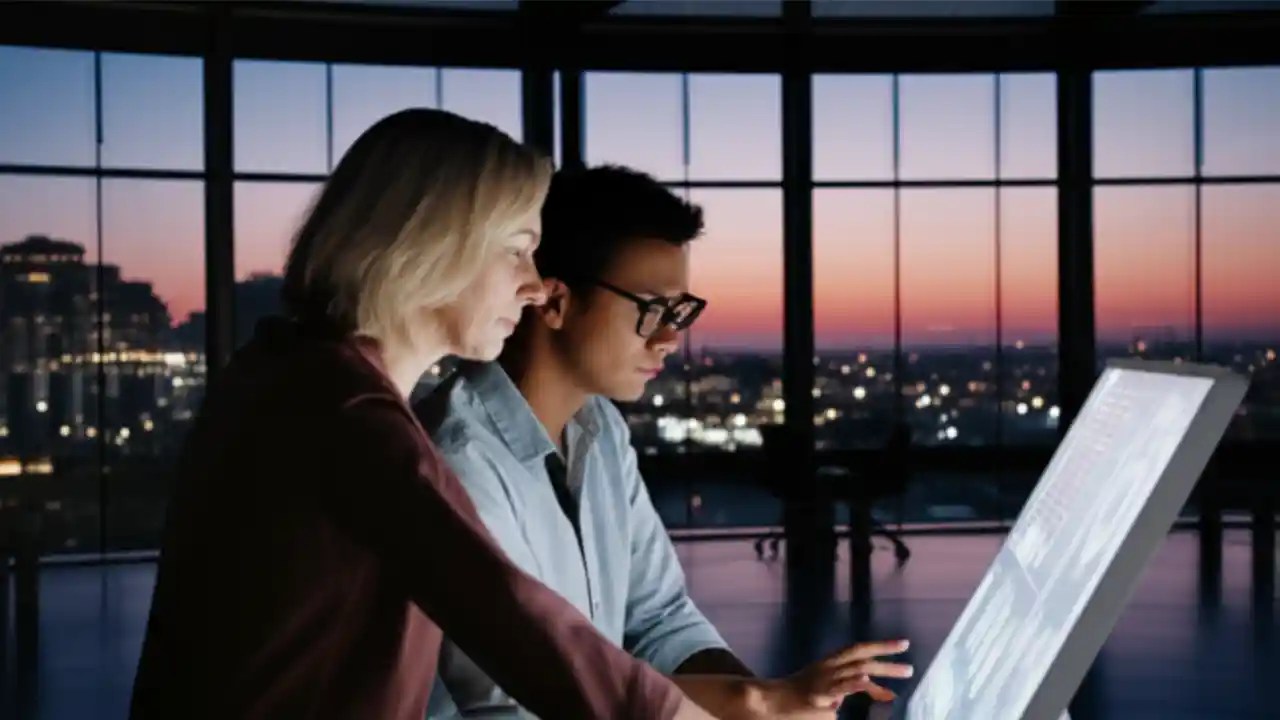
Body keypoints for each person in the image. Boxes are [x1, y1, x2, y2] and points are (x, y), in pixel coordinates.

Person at [128, 110, 725, 720]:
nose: (535, 285)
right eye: (518, 251)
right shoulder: (342, 412)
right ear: (437, 246)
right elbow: (504, 613)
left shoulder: (296, 376)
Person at [416, 165, 913, 719]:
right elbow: (515, 706)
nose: (670, 338)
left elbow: (662, 622)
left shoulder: (600, 431)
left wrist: (773, 710)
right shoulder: (456, 460)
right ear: (553, 301)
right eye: (651, 309)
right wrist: (758, 702)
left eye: (678, 312)